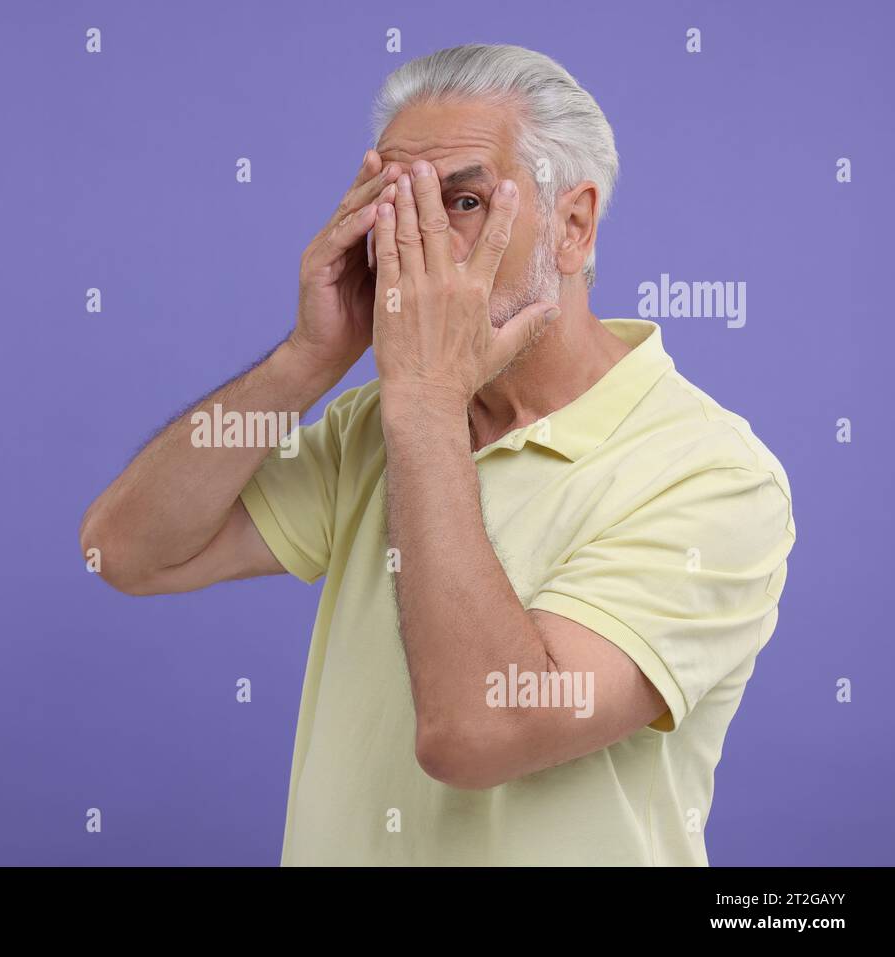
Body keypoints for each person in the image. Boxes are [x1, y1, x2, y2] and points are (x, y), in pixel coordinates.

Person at [80, 44, 795, 866]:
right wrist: (306, 360)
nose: (415, 243)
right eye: (393, 205)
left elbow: (476, 732)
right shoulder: (375, 424)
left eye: (461, 200)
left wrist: (422, 400)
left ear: (573, 224)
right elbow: (126, 550)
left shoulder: (712, 476)